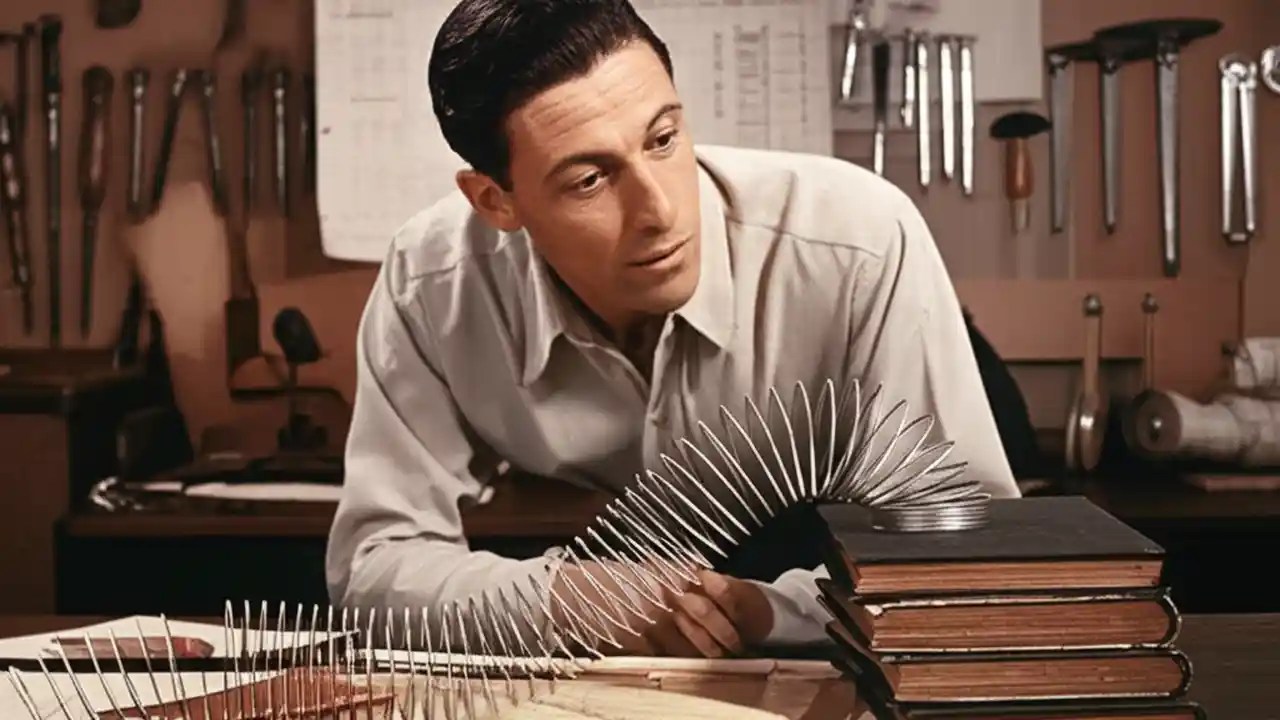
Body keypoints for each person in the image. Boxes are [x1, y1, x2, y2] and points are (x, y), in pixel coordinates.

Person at [325, 0, 1021, 658]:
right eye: (589, 180)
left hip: (830, 575)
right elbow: (372, 566)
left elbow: (960, 558)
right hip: (622, 602)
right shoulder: (433, 281)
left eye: (662, 140)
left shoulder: (859, 241)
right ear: (495, 202)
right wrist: (561, 601)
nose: (659, 212)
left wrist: (771, 612)